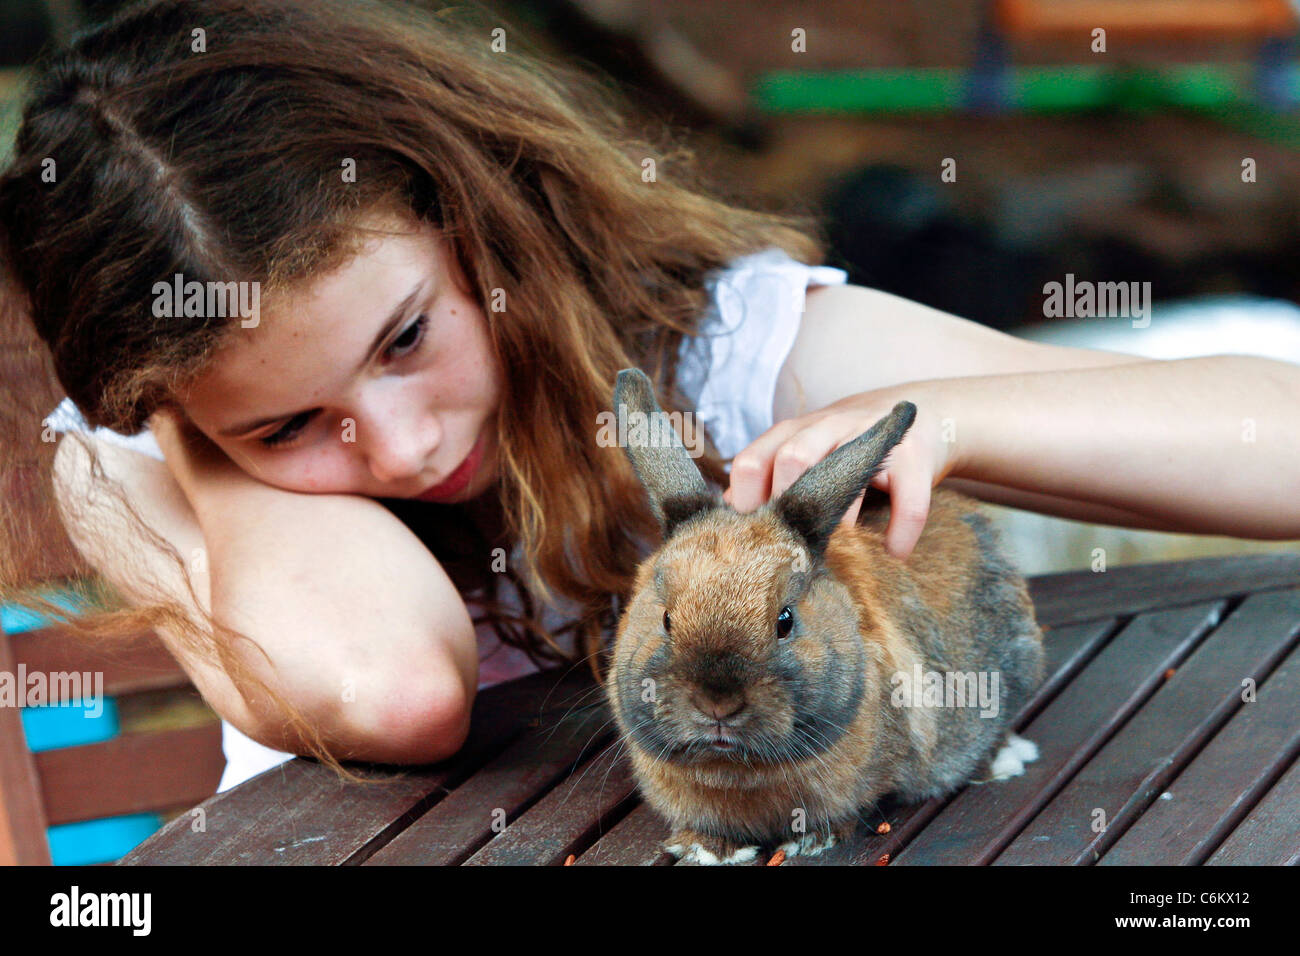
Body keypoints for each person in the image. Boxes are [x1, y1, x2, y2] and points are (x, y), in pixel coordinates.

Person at [3, 0, 1297, 793]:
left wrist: (957, 419)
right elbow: (393, 688)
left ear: (477, 229)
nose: (403, 446)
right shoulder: (135, 464)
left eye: (407, 338)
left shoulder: (697, 353)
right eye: (286, 423)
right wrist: (203, 447)